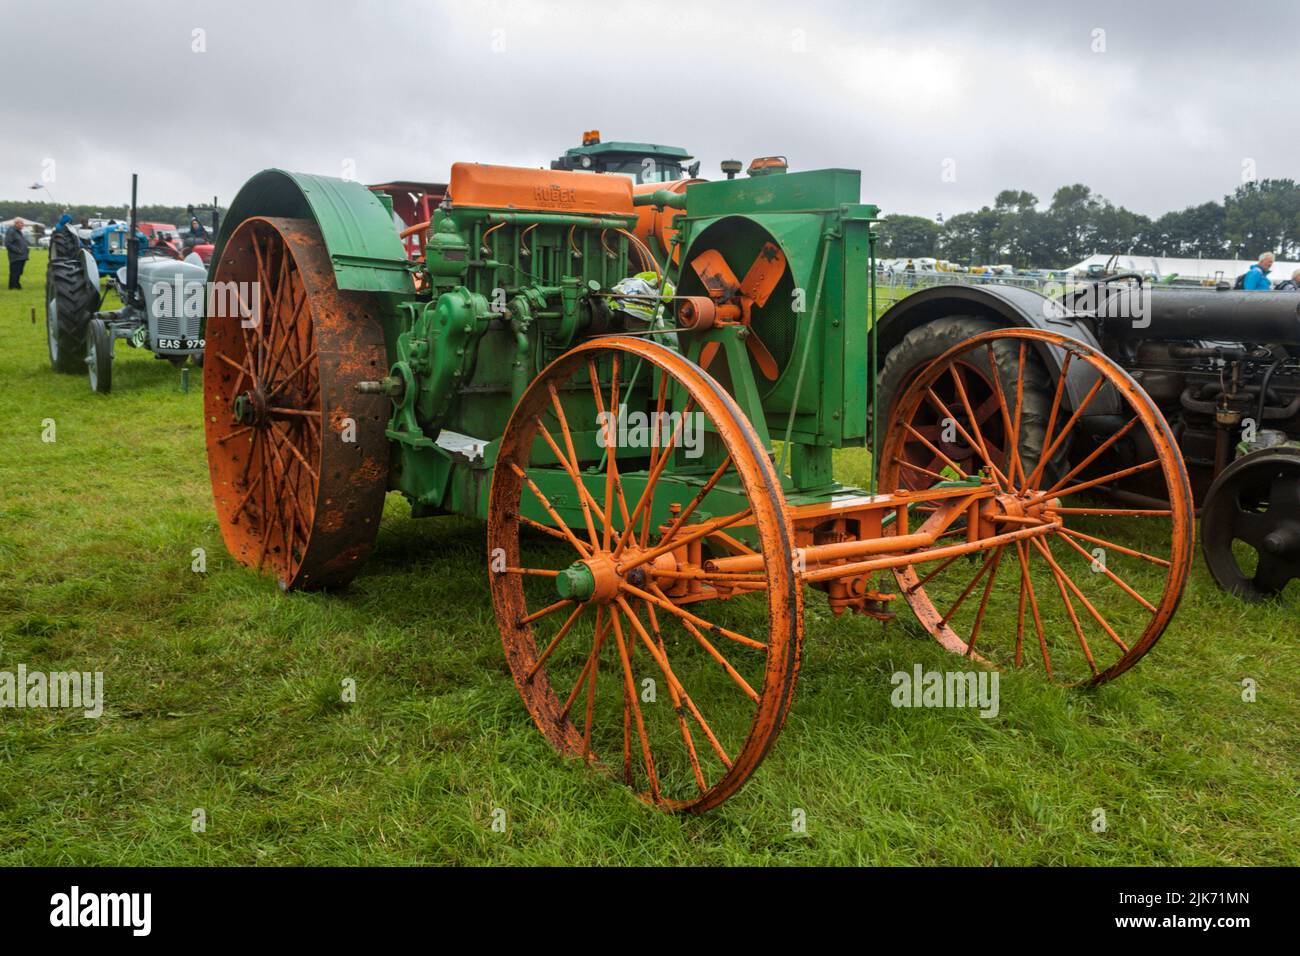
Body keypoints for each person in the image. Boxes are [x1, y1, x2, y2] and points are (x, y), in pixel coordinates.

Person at [5, 218, 29, 290]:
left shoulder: (18, 232)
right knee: (15, 271)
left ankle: (16, 284)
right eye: (21, 223)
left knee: (19, 271)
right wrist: (18, 250)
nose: (22, 225)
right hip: (15, 256)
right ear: (16, 224)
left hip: (21, 256)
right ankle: (13, 286)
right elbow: (8, 244)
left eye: (23, 223)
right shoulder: (11, 231)